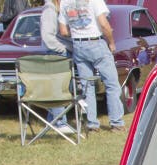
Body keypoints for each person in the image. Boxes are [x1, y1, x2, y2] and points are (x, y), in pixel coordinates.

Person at [58, 0, 124, 132]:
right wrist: (111, 42)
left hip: (78, 45)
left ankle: (92, 124)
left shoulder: (64, 2)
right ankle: (116, 122)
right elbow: (104, 24)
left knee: (87, 86)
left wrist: (77, 33)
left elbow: (63, 31)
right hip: (95, 42)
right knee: (111, 84)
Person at [41, 0, 74, 134]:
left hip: (61, 52)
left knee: (63, 88)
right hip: (56, 54)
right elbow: (47, 37)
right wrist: (62, 49)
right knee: (59, 88)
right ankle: (60, 122)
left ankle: (52, 121)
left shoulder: (57, 10)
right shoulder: (49, 10)